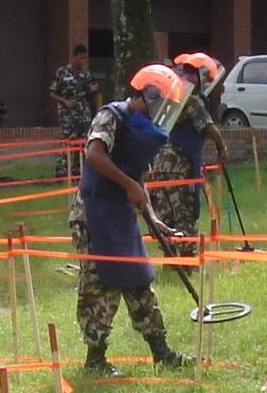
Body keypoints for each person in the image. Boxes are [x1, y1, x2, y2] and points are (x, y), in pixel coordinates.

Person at [71, 65, 194, 376]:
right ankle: (95, 360)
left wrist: (151, 216)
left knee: (139, 278)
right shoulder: (112, 115)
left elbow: (137, 178)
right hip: (93, 213)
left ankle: (161, 352)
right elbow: (95, 155)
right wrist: (128, 186)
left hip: (120, 213)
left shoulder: (142, 129)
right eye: (163, 101)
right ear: (149, 94)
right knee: (100, 285)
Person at [152, 54, 228, 239]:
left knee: (165, 214)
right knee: (184, 213)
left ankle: (170, 258)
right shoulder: (191, 98)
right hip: (180, 164)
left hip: (159, 163)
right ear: (195, 77)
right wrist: (221, 147)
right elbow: (207, 126)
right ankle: (186, 261)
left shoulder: (170, 95)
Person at [49, 43, 97, 179]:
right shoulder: (62, 73)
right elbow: (52, 92)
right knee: (67, 144)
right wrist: (64, 101)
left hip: (84, 116)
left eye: (84, 59)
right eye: (80, 58)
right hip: (68, 117)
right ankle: (62, 173)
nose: (82, 61)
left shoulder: (86, 74)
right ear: (73, 57)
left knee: (83, 144)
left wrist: (93, 90)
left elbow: (92, 89)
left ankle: (80, 172)